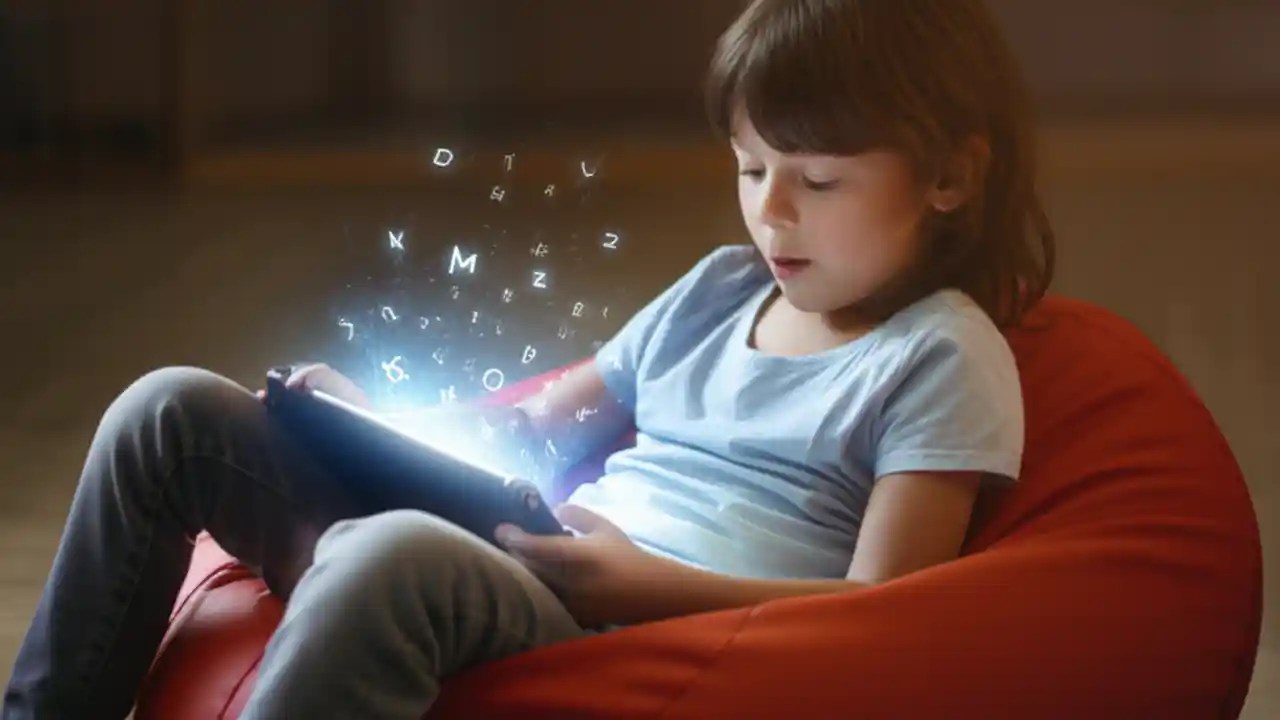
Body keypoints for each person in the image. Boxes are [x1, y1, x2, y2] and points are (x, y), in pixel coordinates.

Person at [3, 0, 1055, 717]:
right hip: (532, 546)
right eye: (749, 168)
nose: (769, 213)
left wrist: (638, 586)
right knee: (168, 410)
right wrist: (369, 429)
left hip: (614, 619)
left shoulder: (938, 357)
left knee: (387, 559)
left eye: (816, 182)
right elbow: (530, 427)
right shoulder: (719, 290)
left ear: (948, 179)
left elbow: (890, 619)